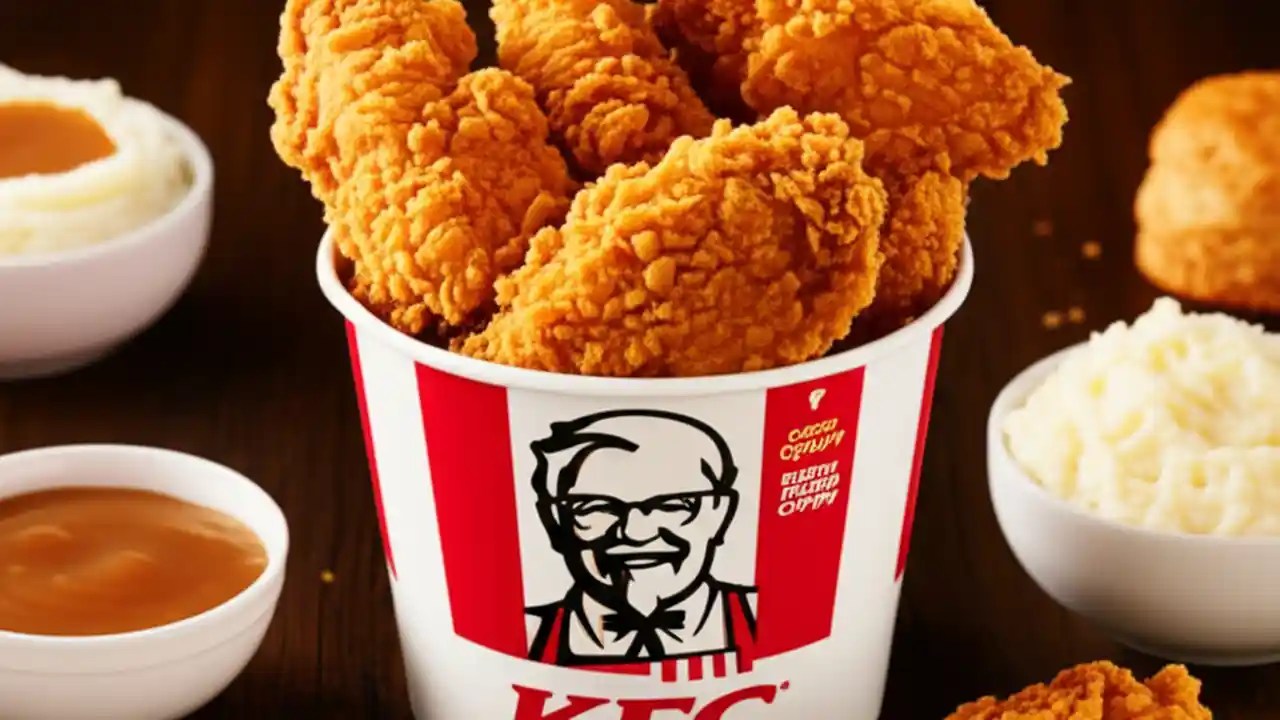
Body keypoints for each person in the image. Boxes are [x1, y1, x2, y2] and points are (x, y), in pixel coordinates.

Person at [526, 410, 757, 677]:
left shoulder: (774, 616)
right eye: (597, 507)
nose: (636, 533)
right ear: (554, 521)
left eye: (672, 505)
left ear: (721, 513)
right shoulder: (521, 631)